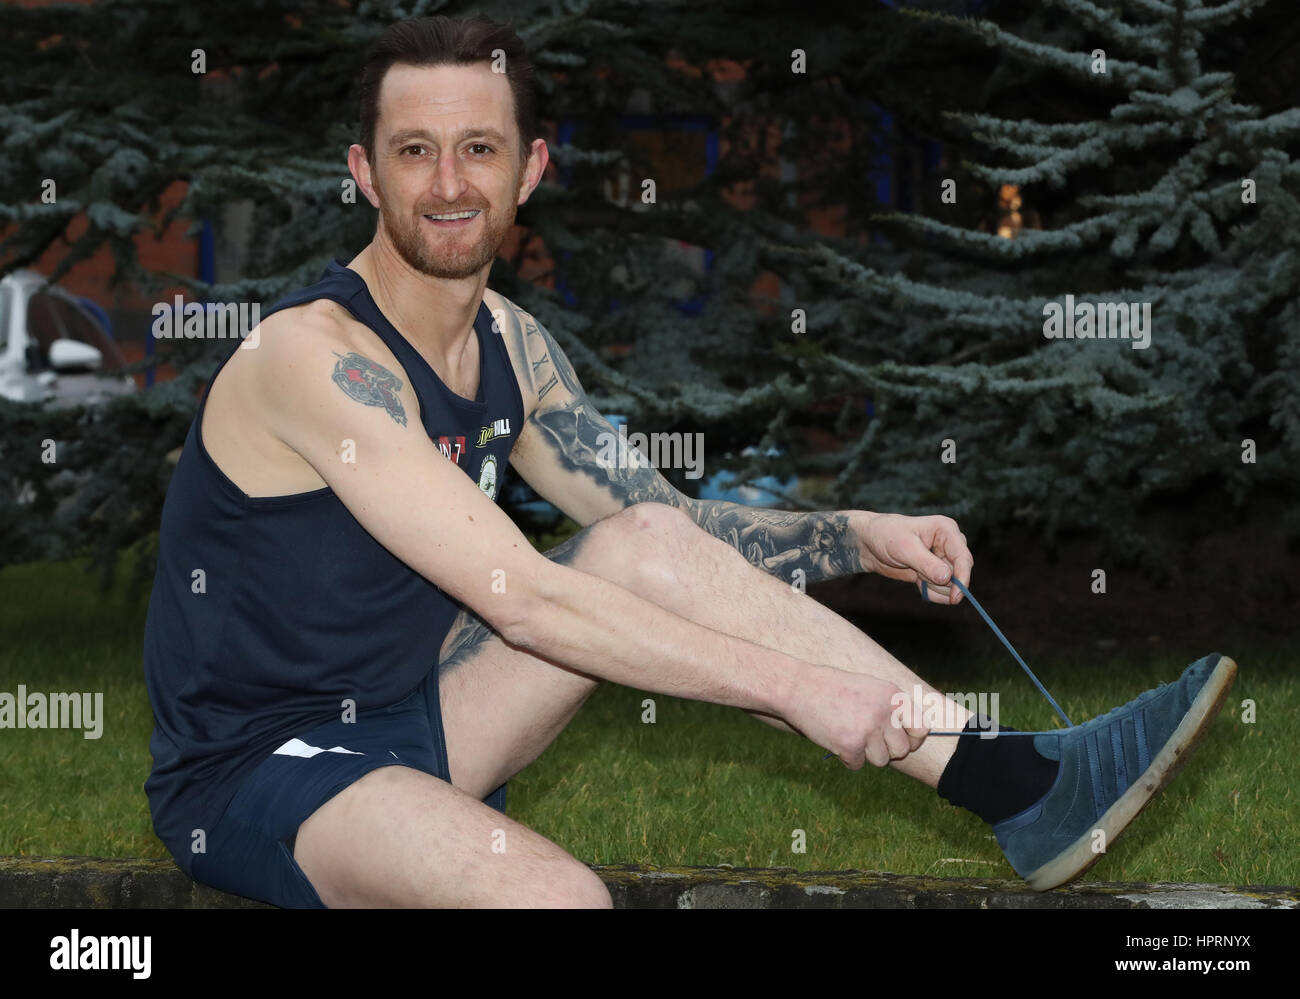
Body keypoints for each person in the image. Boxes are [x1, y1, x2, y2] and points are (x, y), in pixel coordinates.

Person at [142, 13, 1237, 908]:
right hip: (259, 770)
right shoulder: (313, 359)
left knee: (647, 540)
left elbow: (666, 534)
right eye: (412, 151)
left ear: (530, 168)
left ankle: (1018, 782)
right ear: (362, 172)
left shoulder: (510, 345)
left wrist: (856, 535)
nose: (446, 183)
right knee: (555, 902)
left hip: (418, 714)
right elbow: (526, 602)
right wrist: (804, 693)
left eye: (477, 147)